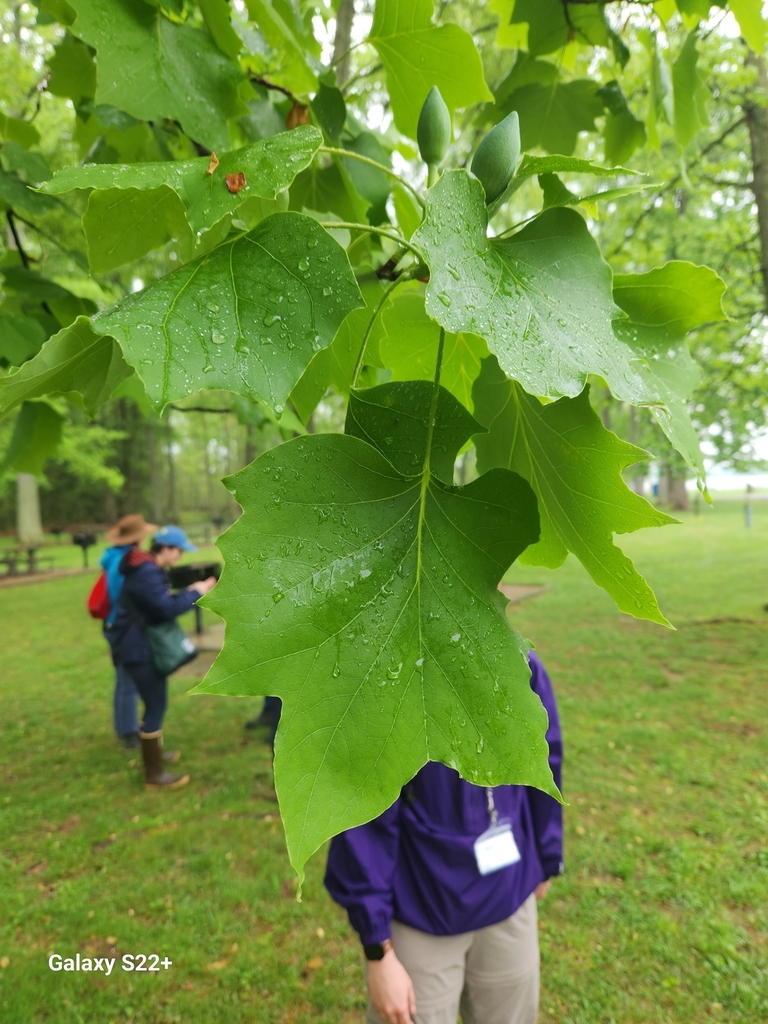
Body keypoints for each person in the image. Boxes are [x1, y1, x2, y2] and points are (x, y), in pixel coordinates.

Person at [324, 652, 563, 1024]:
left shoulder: (518, 663)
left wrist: (548, 856)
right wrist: (378, 950)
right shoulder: (388, 676)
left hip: (509, 895)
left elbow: (545, 759)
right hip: (422, 909)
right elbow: (363, 816)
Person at [107, 525, 217, 789]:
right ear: (165, 549)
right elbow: (165, 609)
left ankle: (152, 751)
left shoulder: (144, 567)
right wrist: (196, 592)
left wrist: (188, 590)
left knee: (151, 702)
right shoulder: (147, 571)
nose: (180, 556)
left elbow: (156, 605)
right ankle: (154, 774)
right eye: (178, 551)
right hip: (138, 649)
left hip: (132, 644)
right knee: (156, 704)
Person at [101, 514, 158, 749]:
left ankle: (123, 725)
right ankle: (128, 733)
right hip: (124, 625)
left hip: (113, 623)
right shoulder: (125, 561)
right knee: (129, 682)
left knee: (123, 680)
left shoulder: (112, 557)